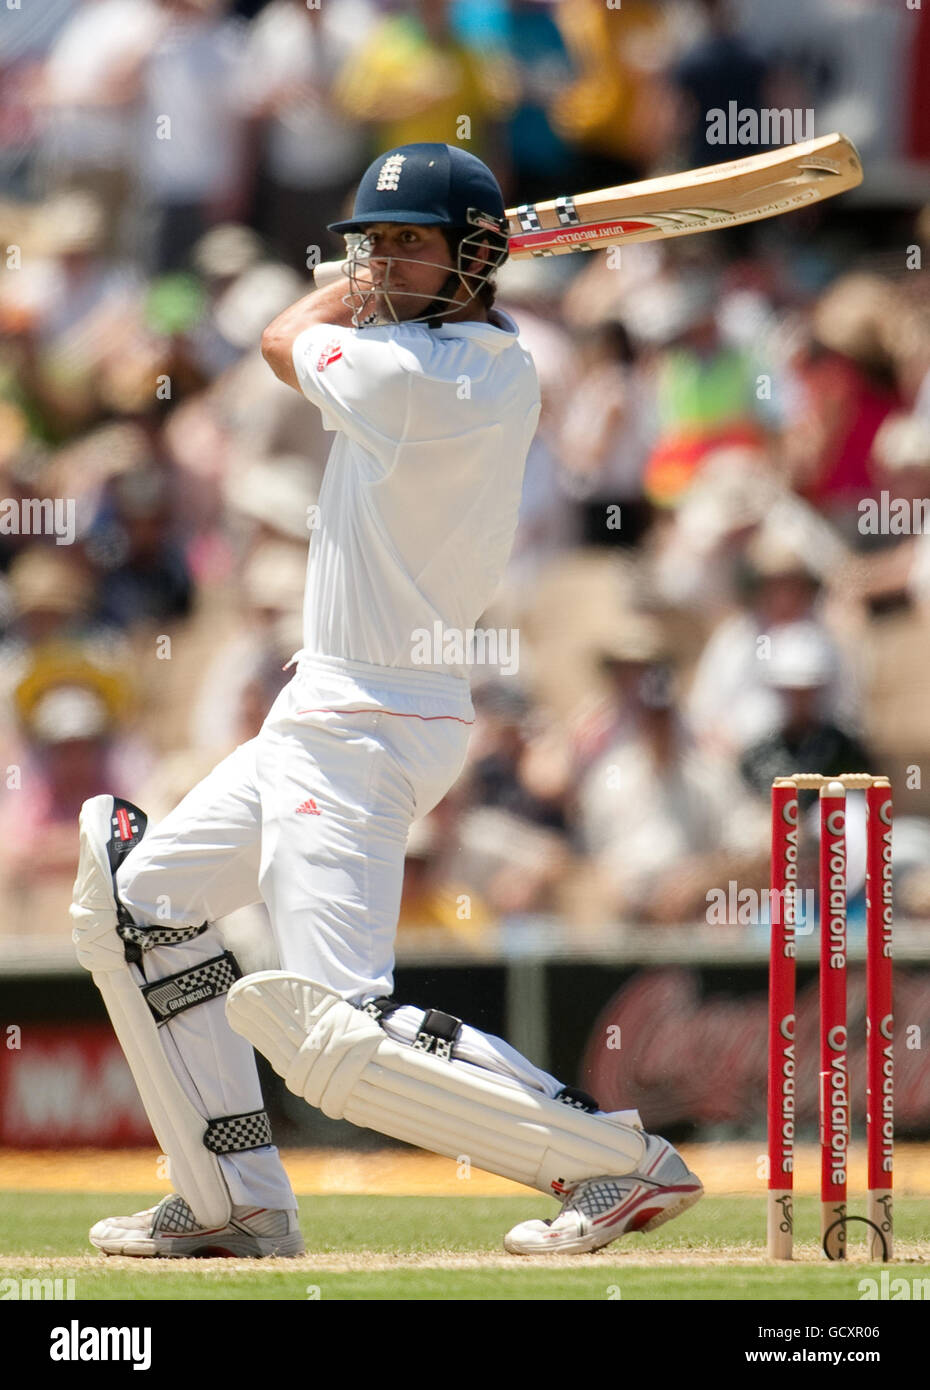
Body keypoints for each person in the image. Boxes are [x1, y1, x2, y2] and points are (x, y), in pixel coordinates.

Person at [71, 142, 702, 1259]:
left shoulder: (416, 378)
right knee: (142, 904)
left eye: (408, 244)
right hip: (341, 704)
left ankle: (612, 1163)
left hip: (362, 722)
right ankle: (232, 1200)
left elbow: (274, 338)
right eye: (371, 243)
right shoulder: (485, 360)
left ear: (471, 261)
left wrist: (351, 285)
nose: (381, 266)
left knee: (332, 1035)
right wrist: (400, 265)